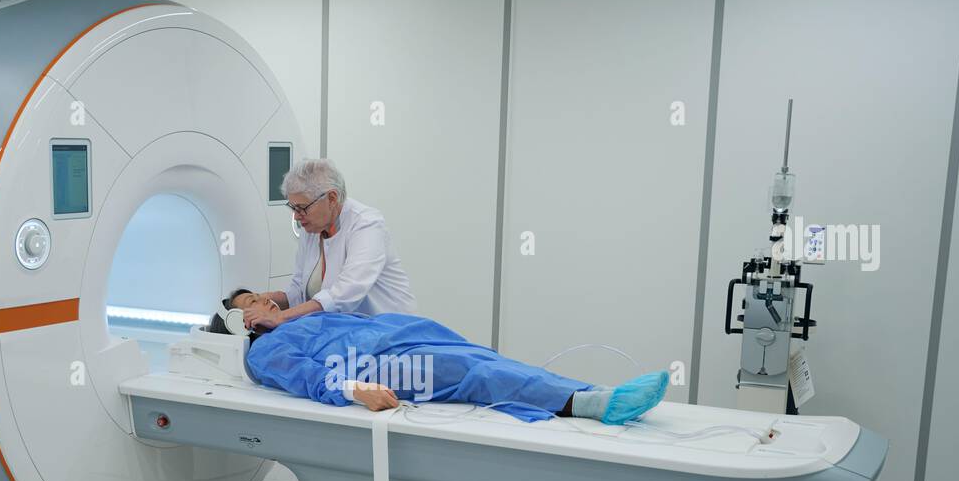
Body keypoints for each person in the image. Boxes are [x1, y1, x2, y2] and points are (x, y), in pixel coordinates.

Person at [210, 289, 669, 425]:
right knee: (473, 372)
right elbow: (310, 378)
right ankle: (593, 406)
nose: (267, 300)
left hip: (404, 338)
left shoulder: (293, 320)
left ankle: (586, 391)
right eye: (252, 302)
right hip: (382, 366)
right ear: (239, 323)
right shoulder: (266, 350)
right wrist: (357, 390)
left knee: (483, 358)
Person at [249, 158, 416, 331]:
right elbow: (298, 291)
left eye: (302, 208)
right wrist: (257, 299)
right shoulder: (312, 230)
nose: (297, 216)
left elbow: (345, 293)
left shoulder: (367, 225)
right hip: (350, 335)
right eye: (293, 208)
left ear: (332, 198)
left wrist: (280, 317)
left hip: (392, 334)